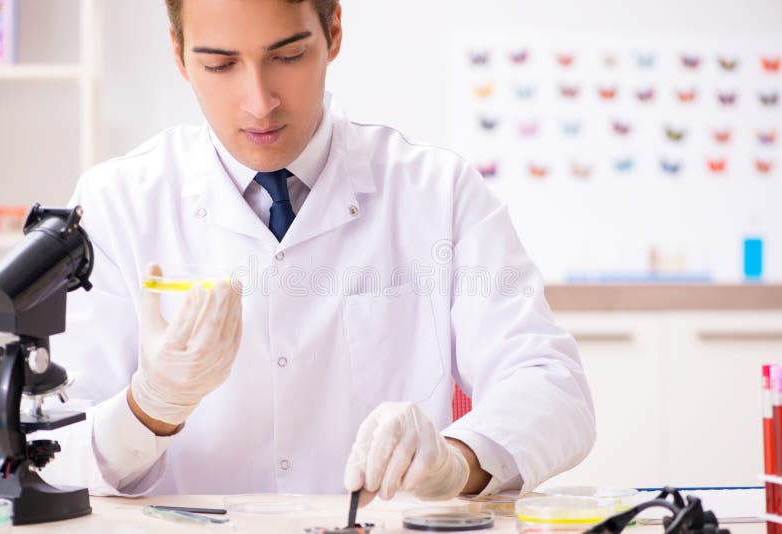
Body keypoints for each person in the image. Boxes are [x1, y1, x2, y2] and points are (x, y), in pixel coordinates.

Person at [40, 0, 595, 505]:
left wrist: (458, 463)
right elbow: (54, 449)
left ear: (333, 32)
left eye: (288, 55)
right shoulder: (116, 205)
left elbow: (550, 384)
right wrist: (150, 407)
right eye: (219, 65)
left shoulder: (438, 192)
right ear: (180, 56)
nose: (259, 102)